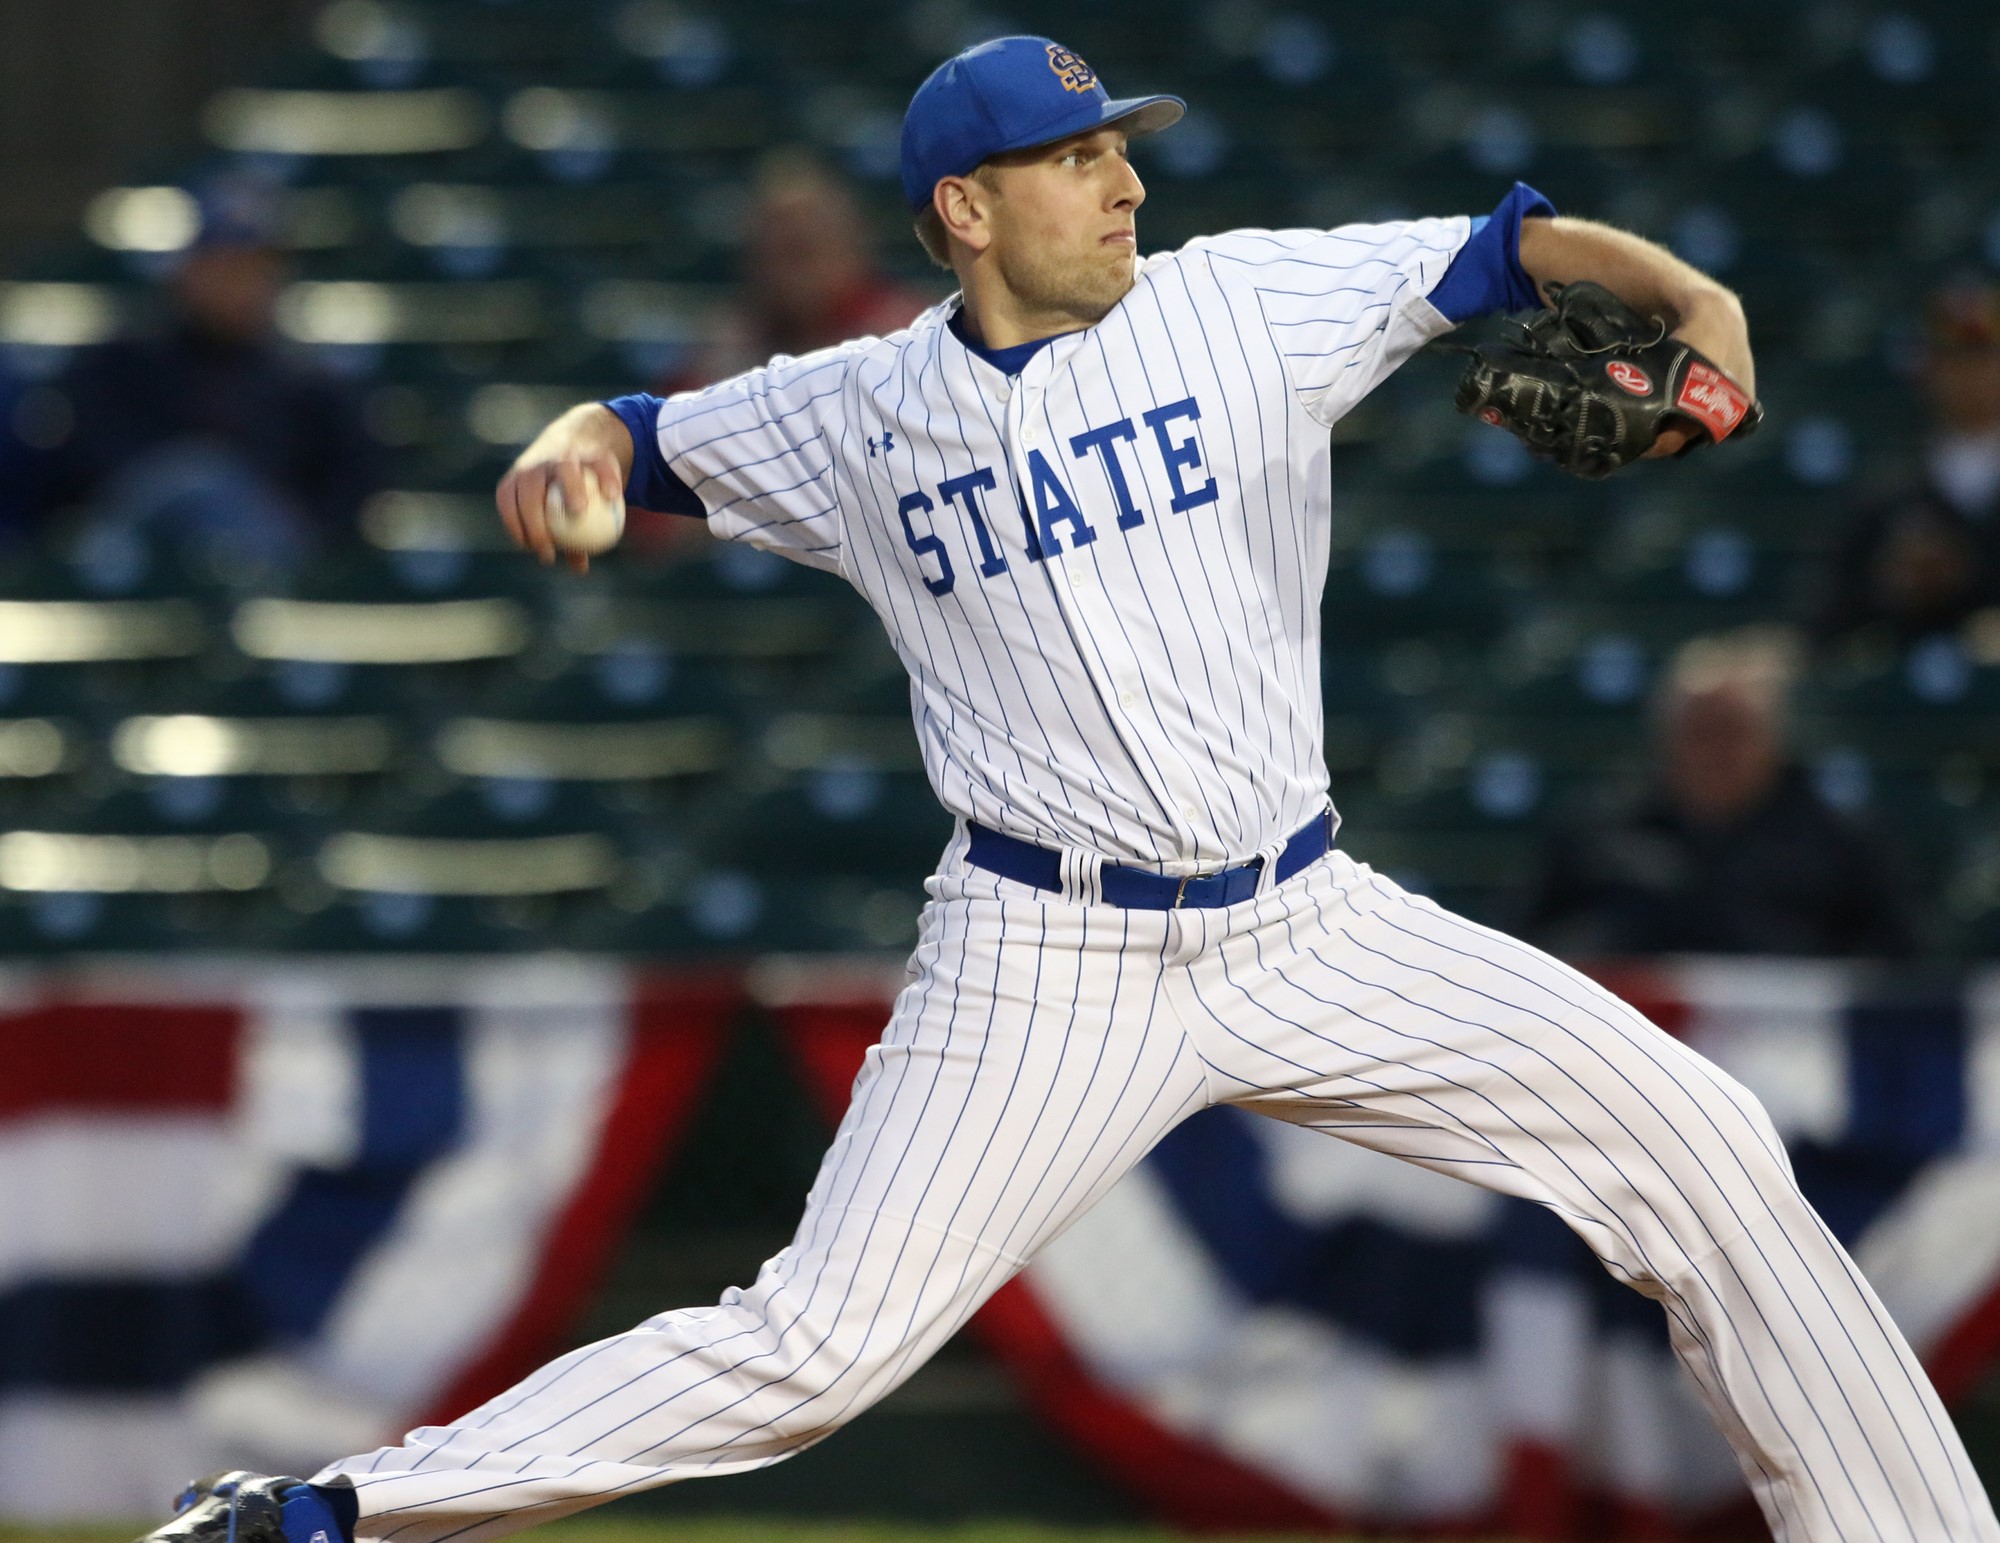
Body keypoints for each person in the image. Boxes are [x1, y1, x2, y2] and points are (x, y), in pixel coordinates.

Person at [142, 37, 1997, 1543]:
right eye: (1076, 156)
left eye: (1121, 146)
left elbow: (1514, 253)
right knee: (813, 1347)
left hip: (1307, 913)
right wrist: (567, 460)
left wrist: (1695, 295)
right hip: (1047, 958)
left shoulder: (1243, 303)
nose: (1123, 177)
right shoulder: (856, 406)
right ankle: (329, 1514)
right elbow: (629, 434)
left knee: (1707, 1146)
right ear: (966, 206)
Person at [36, 178, 384, 570]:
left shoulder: (310, 383)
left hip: (271, 558)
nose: (238, 285)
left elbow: (348, 497)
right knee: (194, 482)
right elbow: (83, 471)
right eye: (222, 267)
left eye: (253, 269)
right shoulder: (120, 363)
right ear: (187, 271)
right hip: (134, 551)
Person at [1526, 629, 1919, 958]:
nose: (1717, 753)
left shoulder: (1839, 838)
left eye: (1734, 732)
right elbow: (1531, 950)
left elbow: (1894, 973)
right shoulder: (1596, 831)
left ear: (1773, 740)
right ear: (1665, 740)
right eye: (1700, 733)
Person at [1816, 281, 2000, 644]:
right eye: (1953, 357)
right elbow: (1830, 624)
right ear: (1926, 368)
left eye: (1983, 356)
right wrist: (1891, 587)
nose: (1970, 374)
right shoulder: (1886, 496)